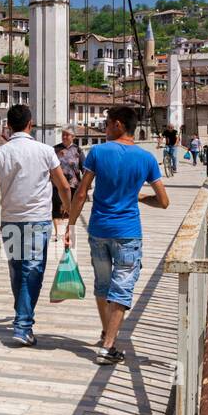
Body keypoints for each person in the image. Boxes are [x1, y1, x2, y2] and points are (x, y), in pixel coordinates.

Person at [64, 105, 169, 365]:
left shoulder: (97, 152)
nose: (105, 127)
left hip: (99, 230)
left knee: (102, 285)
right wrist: (141, 197)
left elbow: (81, 193)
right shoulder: (145, 159)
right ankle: (108, 346)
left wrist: (71, 225)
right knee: (121, 289)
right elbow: (164, 201)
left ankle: (105, 334)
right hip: (127, 234)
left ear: (119, 124)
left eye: (108, 123)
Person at [0, 105, 71, 347]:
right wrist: (69, 211)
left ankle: (22, 318)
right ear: (31, 124)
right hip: (38, 220)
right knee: (33, 271)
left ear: (8, 126)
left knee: (18, 270)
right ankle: (23, 325)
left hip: (10, 220)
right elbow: (64, 186)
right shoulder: (46, 151)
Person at [51, 128, 82, 240]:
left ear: (73, 137)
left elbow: (83, 167)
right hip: (57, 184)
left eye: (67, 135)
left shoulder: (78, 150)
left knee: (71, 210)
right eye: (63, 134)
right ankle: (58, 234)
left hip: (73, 185)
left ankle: (70, 232)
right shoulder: (55, 149)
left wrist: (85, 186)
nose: (64, 137)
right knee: (56, 209)